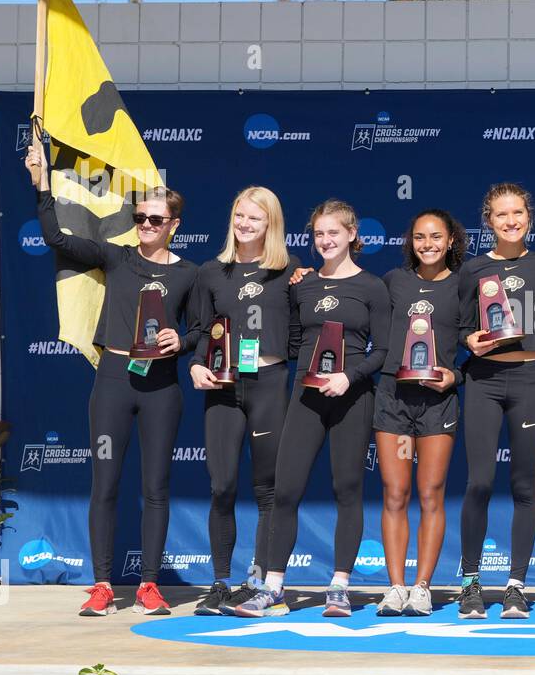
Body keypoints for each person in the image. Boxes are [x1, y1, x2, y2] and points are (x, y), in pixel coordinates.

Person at [24, 141, 198, 618]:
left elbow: (205, 329)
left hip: (161, 387)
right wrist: (41, 182)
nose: (145, 226)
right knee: (105, 483)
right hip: (114, 381)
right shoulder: (116, 256)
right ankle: (102, 585)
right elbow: (58, 241)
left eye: (156, 220)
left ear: (173, 225)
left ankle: (148, 586)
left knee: (156, 487)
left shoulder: (190, 274)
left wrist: (180, 341)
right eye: (140, 218)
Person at [233, 200, 390, 618]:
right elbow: (294, 340)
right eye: (319, 234)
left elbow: (386, 351)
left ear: (353, 235)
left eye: (334, 233)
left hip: (351, 398)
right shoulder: (301, 285)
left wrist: (350, 376)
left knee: (347, 490)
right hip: (305, 398)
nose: (326, 241)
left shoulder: (373, 287)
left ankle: (339, 586)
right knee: (284, 491)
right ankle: (273, 587)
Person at [186, 187, 299, 616]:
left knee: (268, 490)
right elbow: (201, 331)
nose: (245, 224)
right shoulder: (211, 272)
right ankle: (219, 582)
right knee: (221, 486)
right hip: (223, 386)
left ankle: (263, 582)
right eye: (239, 216)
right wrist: (197, 365)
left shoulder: (290, 271)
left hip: (270, 382)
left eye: (254, 218)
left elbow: (301, 332)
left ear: (271, 223)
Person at [456, 183, 535, 619]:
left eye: (518, 212)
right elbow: (461, 326)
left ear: (529, 218)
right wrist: (470, 340)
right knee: (479, 482)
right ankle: (470, 583)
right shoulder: (474, 269)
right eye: (501, 215)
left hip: (529, 378)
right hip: (484, 379)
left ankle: (516, 585)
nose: (510, 220)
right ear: (489, 221)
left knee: (524, 484)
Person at [373, 209, 467, 617]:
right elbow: (354, 305)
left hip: (436, 402)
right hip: (394, 399)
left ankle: (423, 587)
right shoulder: (394, 282)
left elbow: (479, 345)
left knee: (431, 494)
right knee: (396, 493)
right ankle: (395, 588)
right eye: (418, 238)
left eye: (435, 237)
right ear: (410, 242)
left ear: (450, 241)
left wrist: (455, 376)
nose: (427, 245)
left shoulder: (464, 286)